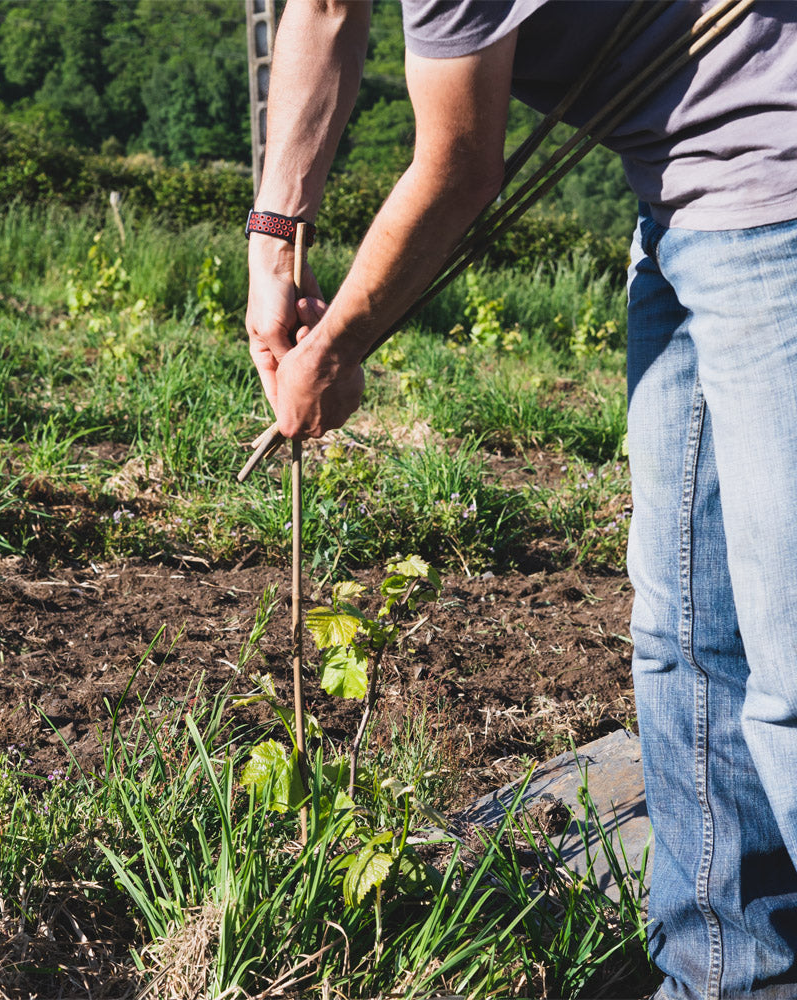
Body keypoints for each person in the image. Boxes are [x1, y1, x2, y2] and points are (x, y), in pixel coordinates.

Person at [245, 2, 797, 998]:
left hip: (777, 193)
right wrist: (273, 241)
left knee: (791, 671)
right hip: (683, 200)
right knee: (687, 637)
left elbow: (460, 168)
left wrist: (336, 349)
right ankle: (728, 979)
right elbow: (321, 8)